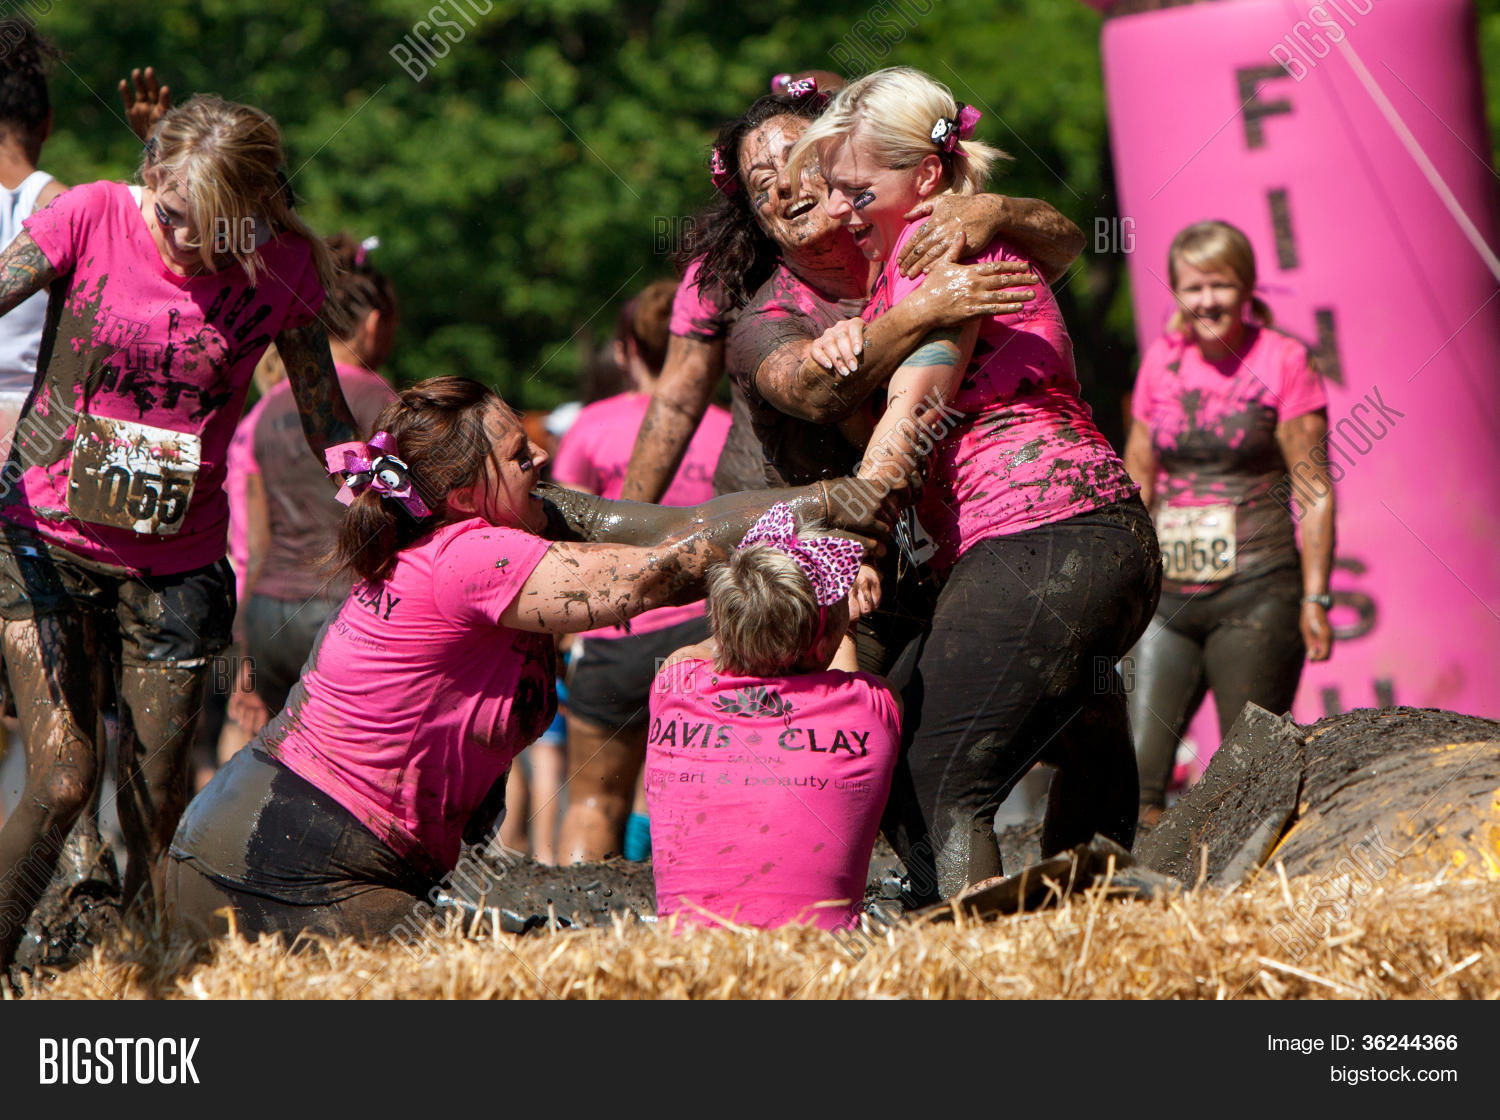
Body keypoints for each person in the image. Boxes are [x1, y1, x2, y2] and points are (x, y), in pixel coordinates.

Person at [165, 377, 893, 941]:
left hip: (267, 837)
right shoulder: (474, 554)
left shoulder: (471, 523)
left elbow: (676, 525)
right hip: (283, 861)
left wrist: (835, 499)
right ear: (465, 496)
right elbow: (659, 573)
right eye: (519, 456)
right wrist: (824, 523)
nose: (540, 455)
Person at [0, 94, 358, 971]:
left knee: (154, 807)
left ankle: (135, 977)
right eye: (171, 216)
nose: (187, 244)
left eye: (214, 229)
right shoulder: (87, 215)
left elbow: (328, 422)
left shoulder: (282, 270)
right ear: (151, 175)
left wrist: (394, 499)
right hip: (41, 542)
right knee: (63, 777)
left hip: (176, 569)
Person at [792, 66, 1161, 901]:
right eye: (834, 190)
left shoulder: (940, 249)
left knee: (931, 778)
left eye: (857, 190)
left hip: (1042, 536)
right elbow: (1062, 239)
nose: (840, 210)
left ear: (925, 175)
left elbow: (915, 410)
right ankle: (1093, 937)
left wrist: (848, 546)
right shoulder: (934, 253)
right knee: (1085, 742)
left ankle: (983, 964)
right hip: (1095, 536)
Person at [621, 81, 1082, 509]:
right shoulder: (764, 315)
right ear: (758, 220)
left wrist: (999, 209)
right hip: (790, 534)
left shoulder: (923, 230)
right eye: (762, 185)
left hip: (989, 504)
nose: (783, 184)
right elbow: (817, 393)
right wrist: (925, 307)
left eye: (801, 161)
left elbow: (1067, 249)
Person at [1123, 220, 1334, 827]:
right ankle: (1150, 879)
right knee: (1135, 777)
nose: (1207, 300)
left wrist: (1315, 597)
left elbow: (1314, 489)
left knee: (1245, 776)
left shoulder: (1284, 359)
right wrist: (1125, 588)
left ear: (1246, 289)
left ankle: (1243, 873)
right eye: (1193, 288)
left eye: (1220, 285)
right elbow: (1138, 481)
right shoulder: (1161, 362)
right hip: (1168, 599)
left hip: (1257, 589)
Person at [647, 503, 899, 931]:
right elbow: (839, 670)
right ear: (826, 641)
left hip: (689, 960)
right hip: (821, 959)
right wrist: (845, 622)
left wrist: (755, 609)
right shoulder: (873, 705)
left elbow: (700, 651)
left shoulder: (675, 684)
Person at [551, 280, 732, 863]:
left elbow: (566, 538)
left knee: (593, 802)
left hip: (615, 633)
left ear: (626, 349)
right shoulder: (725, 428)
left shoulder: (590, 426)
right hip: (704, 635)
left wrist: (559, 634)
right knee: (692, 799)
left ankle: (576, 916)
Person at [242, 232, 399, 718]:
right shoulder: (381, 401)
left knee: (277, 752)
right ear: (373, 324)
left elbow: (256, 539)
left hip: (267, 617)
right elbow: (391, 508)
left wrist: (244, 643)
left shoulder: (269, 406)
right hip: (339, 610)